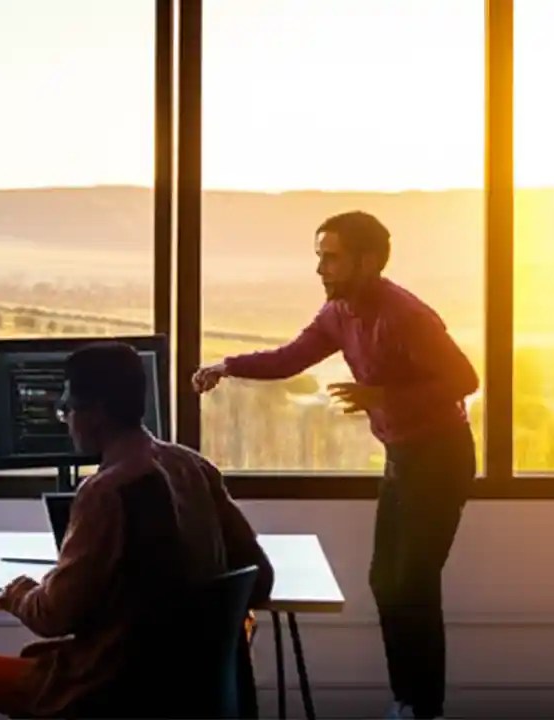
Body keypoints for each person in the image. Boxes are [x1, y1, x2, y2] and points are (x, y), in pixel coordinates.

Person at [193, 211, 478, 720]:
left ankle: (423, 707)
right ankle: (407, 700)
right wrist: (227, 366)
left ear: (367, 262)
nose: (320, 268)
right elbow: (289, 358)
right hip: (403, 456)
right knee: (384, 580)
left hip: (441, 458)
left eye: (331, 257)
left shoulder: (407, 315)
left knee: (412, 582)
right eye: (319, 257)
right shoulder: (339, 312)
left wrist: (382, 395)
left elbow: (465, 378)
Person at [0, 341, 274, 719]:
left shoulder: (105, 492)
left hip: (112, 690)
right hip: (194, 691)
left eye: (68, 408)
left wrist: (17, 591)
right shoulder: (193, 466)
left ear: (95, 413)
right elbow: (261, 579)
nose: (66, 419)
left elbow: (51, 617)